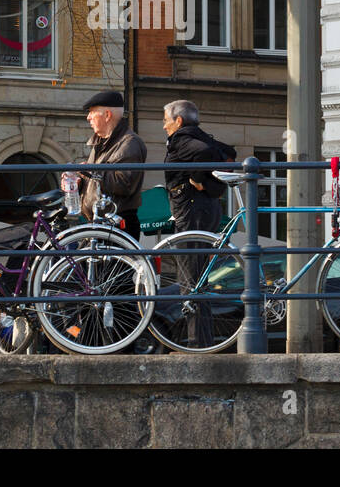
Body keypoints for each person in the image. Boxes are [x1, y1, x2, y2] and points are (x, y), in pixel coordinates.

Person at [162, 100, 235, 348]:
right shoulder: (200, 135)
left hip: (191, 211)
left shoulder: (182, 138)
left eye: (166, 120)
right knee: (197, 278)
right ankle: (200, 340)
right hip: (205, 209)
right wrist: (207, 182)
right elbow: (228, 153)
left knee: (190, 280)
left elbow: (205, 152)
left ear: (178, 121)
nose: (164, 126)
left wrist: (197, 178)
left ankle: (197, 343)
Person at [80, 90, 148, 242]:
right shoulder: (100, 142)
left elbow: (125, 183)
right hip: (99, 223)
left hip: (117, 224)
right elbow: (96, 181)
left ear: (107, 115)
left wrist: (91, 172)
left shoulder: (129, 143)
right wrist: (79, 181)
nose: (88, 117)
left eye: (92, 112)